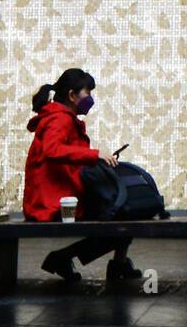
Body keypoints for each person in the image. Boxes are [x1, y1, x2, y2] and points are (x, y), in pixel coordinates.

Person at [24, 68, 140, 284]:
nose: (90, 99)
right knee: (123, 215)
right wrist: (95, 154)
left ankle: (106, 262)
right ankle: (74, 259)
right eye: (87, 93)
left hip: (59, 194)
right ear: (71, 95)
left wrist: (96, 156)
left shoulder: (60, 116)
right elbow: (53, 150)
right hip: (53, 202)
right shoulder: (59, 119)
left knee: (122, 214)